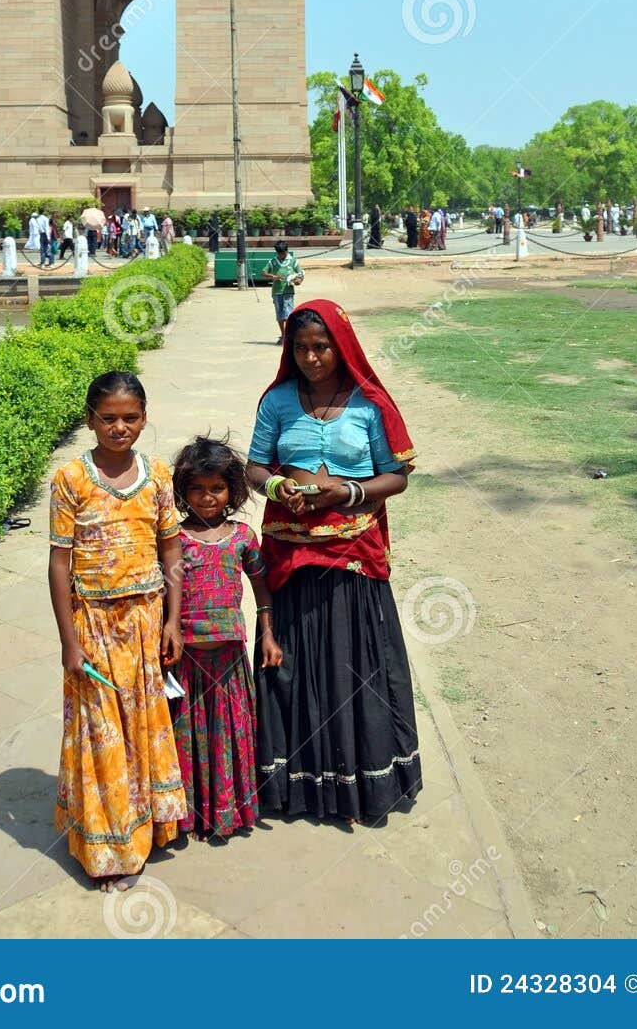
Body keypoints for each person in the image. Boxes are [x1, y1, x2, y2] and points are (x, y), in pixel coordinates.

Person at [245, 300, 422, 823]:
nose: (311, 357)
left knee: (353, 663)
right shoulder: (276, 401)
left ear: (340, 346)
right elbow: (255, 467)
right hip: (289, 552)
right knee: (292, 662)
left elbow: (397, 477)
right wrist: (280, 485)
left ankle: (362, 784)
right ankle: (295, 786)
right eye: (300, 347)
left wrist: (345, 493)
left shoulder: (370, 406)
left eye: (321, 346)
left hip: (352, 553)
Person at [48, 371, 187, 889]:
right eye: (108, 419)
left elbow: (171, 548)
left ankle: (148, 826)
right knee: (102, 734)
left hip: (147, 620)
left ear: (145, 418)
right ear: (90, 421)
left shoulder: (158, 476)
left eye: (130, 418)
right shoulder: (72, 480)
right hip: (94, 627)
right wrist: (69, 641)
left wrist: (172, 619)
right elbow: (59, 563)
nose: (119, 427)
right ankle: (111, 850)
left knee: (144, 727)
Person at [170, 436, 282, 838]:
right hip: (187, 666)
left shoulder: (243, 539)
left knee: (227, 738)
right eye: (197, 490)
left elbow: (262, 590)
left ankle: (227, 813)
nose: (207, 498)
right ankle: (190, 816)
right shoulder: (174, 541)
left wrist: (267, 634)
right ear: (183, 493)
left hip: (230, 665)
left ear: (232, 490)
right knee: (188, 740)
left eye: (216, 488)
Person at [261, 238, 304, 341]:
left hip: (288, 291)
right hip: (277, 291)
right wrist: (273, 276)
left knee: (288, 314)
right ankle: (283, 334)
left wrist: (298, 281)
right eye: (279, 254)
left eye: (283, 253)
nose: (281, 256)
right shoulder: (273, 261)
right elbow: (263, 272)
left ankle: (290, 334)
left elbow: (300, 274)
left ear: (286, 251)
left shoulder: (293, 261)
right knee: (280, 314)